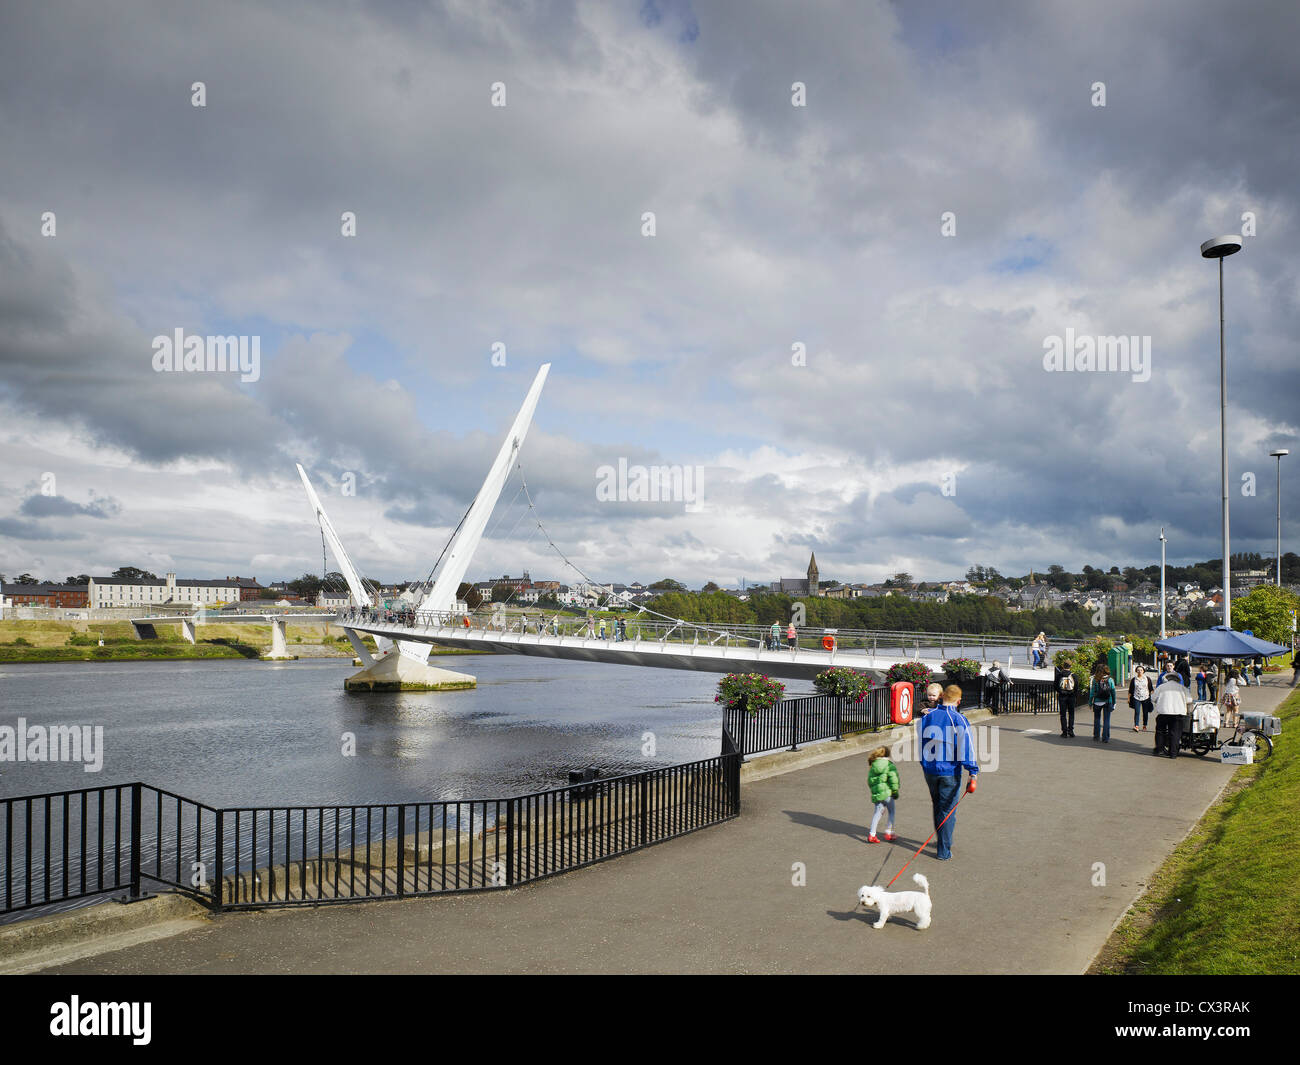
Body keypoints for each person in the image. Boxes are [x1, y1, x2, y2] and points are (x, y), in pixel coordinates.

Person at [917, 684, 979, 861]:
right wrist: (972, 772)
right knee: (948, 810)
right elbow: (966, 748)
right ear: (958, 701)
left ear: (942, 696)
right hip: (949, 771)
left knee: (937, 805)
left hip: (930, 769)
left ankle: (941, 840)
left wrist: (923, 763)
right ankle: (944, 850)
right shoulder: (958, 719)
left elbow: (921, 742)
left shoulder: (928, 715)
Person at [1152, 663, 1189, 757]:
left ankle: (1159, 749)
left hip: (1163, 712)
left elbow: (1153, 698)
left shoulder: (1161, 687)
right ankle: (1173, 753)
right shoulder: (1182, 688)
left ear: (1167, 678)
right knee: (1175, 733)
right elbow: (1189, 700)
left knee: (1160, 731)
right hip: (1178, 713)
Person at [867, 746, 900, 844]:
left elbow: (870, 781)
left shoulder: (873, 765)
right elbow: (894, 780)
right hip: (887, 793)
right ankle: (889, 832)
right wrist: (895, 792)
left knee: (877, 813)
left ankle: (872, 834)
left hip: (878, 793)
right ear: (887, 754)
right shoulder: (889, 765)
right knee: (891, 812)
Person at [1088, 665, 1116, 743]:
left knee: (1097, 719)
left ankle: (1096, 736)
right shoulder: (1110, 680)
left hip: (1097, 702)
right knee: (1106, 720)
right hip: (1108, 701)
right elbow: (1113, 692)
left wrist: (1090, 702)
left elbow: (1092, 692)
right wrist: (1114, 702)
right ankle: (1105, 738)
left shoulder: (1095, 679)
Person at [1054, 660, 1076, 737]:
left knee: (1063, 715)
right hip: (1071, 696)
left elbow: (1055, 686)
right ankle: (1071, 730)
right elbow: (1077, 687)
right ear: (1070, 666)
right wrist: (1072, 693)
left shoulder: (1059, 675)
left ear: (1063, 666)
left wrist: (1061, 691)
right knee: (1071, 714)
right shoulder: (1073, 675)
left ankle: (1064, 732)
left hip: (1062, 696)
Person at [1129, 665, 1154, 733]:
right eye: (1138, 670)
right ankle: (1136, 726)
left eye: (1141, 670)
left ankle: (1144, 725)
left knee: (1145, 712)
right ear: (1136, 671)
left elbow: (1151, 689)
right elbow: (1130, 690)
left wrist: (1152, 697)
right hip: (1136, 697)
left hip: (1146, 697)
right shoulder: (1134, 679)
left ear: (1143, 671)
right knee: (1137, 712)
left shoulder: (1147, 679)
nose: (1139, 671)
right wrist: (1128, 698)